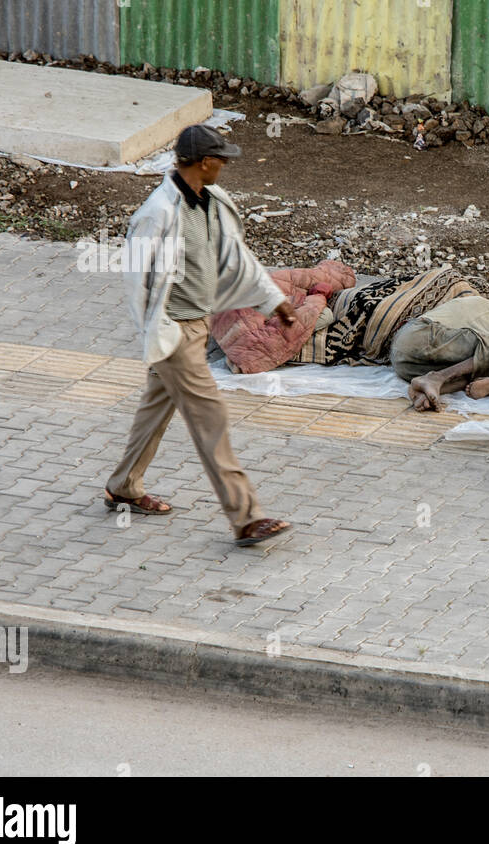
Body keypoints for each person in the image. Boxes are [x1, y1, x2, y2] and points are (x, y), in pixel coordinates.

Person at [106, 125, 297, 547]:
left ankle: (124, 485)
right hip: (174, 332)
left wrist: (272, 299)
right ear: (203, 161)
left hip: (198, 324)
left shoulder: (212, 203)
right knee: (211, 418)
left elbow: (236, 258)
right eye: (221, 158)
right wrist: (152, 333)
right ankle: (247, 518)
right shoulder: (159, 211)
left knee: (155, 409)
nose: (226, 164)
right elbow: (135, 276)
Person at [389, 294, 489, 411]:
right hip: (421, 335)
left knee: (477, 371)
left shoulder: (487, 318)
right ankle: (436, 378)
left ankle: (426, 390)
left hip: (406, 366)